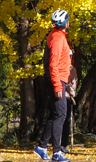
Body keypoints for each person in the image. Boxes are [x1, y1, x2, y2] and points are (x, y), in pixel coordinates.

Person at [35, 9, 72, 162]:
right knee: (61, 114)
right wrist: (57, 85)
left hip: (58, 79)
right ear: (65, 23)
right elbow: (53, 64)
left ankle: (42, 147)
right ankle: (57, 152)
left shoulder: (57, 36)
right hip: (57, 81)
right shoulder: (57, 38)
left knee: (55, 114)